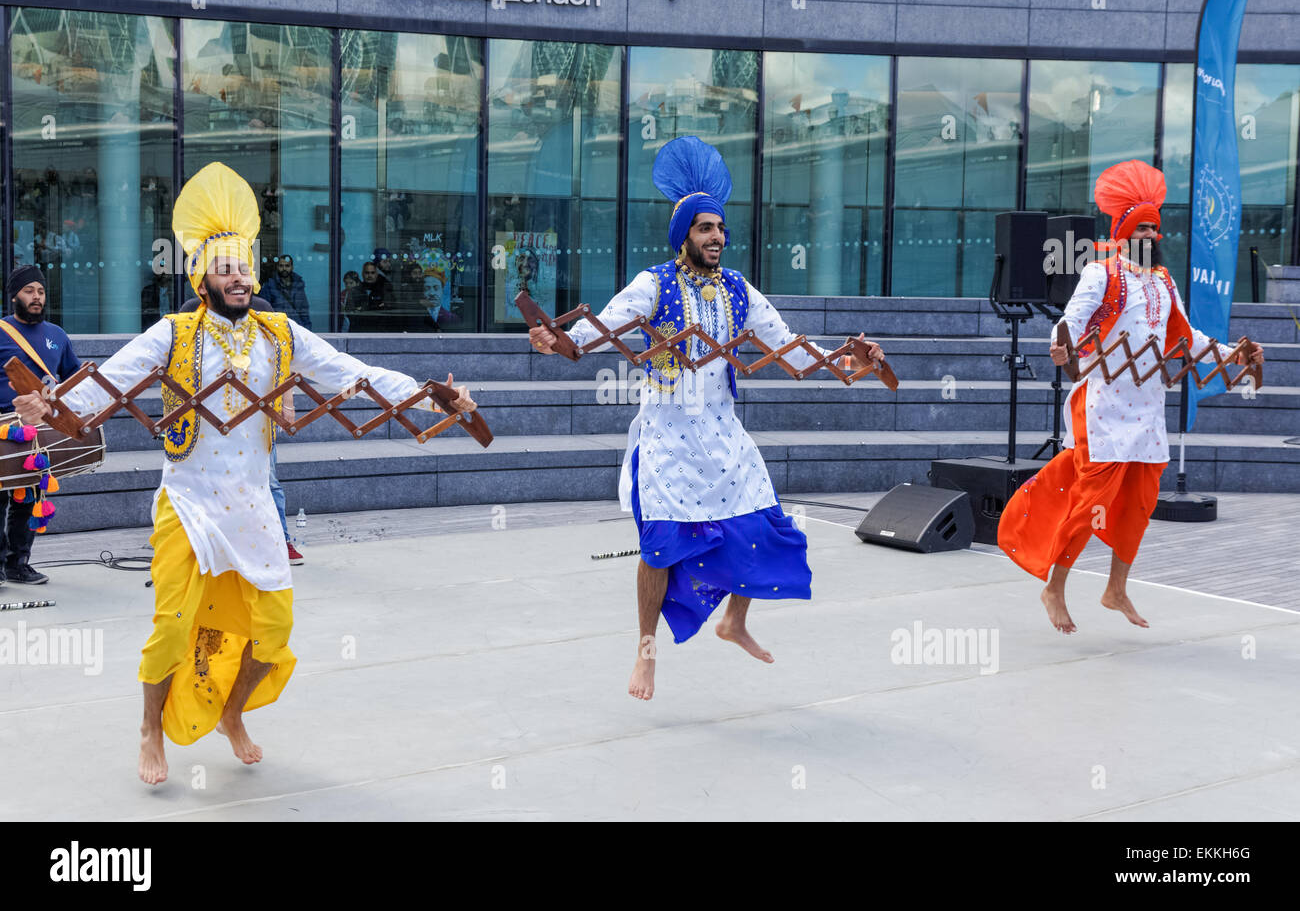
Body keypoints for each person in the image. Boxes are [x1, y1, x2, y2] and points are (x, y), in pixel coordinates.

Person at [14, 162, 476, 785]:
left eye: (244, 267)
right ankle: (151, 728)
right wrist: (54, 405)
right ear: (203, 276)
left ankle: (233, 713)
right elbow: (110, 382)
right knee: (173, 628)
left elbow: (351, 373)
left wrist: (429, 397)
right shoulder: (172, 333)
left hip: (253, 504)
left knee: (275, 627)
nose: (238, 277)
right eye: (225, 268)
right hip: (189, 500)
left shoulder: (279, 334)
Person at [529, 136, 883, 701]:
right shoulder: (655, 284)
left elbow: (789, 347)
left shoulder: (740, 289)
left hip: (723, 434)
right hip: (666, 436)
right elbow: (602, 330)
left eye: (719, 228)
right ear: (683, 235)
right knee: (659, 550)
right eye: (704, 229)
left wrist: (845, 358)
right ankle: (646, 653)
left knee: (762, 523)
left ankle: (734, 620)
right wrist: (560, 341)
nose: (716, 237)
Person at [997, 160, 1265, 634]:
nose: (1148, 233)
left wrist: (1234, 356)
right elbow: (1072, 323)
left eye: (1153, 227)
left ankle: (1115, 588)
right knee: (1089, 499)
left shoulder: (1163, 283)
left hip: (1146, 408)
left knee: (1140, 501)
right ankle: (1054, 586)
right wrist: (1060, 348)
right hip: (1101, 404)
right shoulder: (1102, 274)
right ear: (1121, 231)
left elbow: (1187, 340)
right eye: (1139, 225)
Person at [178, 294, 303, 565]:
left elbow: (284, 361)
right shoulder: (191, 311)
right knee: (206, 482)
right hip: (209, 419)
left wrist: (287, 406)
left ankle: (281, 540)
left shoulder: (262, 308)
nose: (236, 277)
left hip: (259, 418)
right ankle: (208, 545)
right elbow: (181, 362)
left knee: (268, 481)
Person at [0, 264, 81, 585]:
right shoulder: (2, 331)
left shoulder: (57, 336)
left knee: (29, 499)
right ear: (14, 296)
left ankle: (17, 565)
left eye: (41, 291)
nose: (36, 297)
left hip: (39, 432)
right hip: (4, 428)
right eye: (29, 291)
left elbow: (74, 379)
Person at [257, 253, 311, 328]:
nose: (284, 269)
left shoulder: (298, 285)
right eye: (281, 266)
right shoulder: (270, 285)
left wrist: (307, 329)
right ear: (277, 267)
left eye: (287, 266)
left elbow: (304, 310)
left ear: (292, 267)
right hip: (278, 327)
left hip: (297, 328)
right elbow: (264, 311)